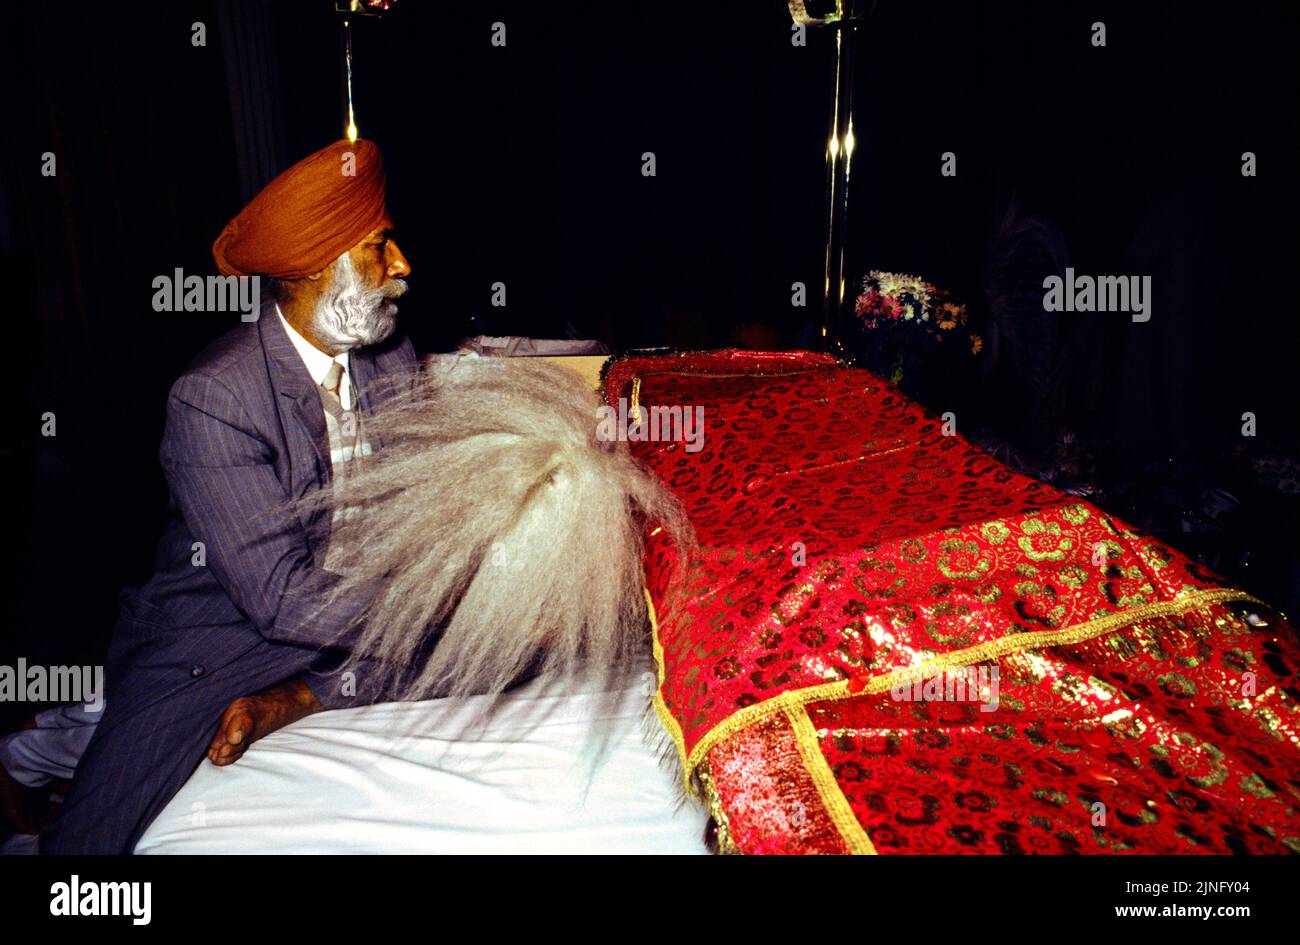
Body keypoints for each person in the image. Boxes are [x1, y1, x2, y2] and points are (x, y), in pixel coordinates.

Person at [38, 138, 416, 854]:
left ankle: (294, 700)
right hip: (217, 633)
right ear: (314, 269)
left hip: (356, 605)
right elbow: (281, 600)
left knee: (514, 638)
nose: (402, 266)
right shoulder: (214, 396)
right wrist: (430, 593)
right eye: (379, 247)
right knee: (85, 849)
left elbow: (421, 498)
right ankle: (33, 758)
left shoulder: (389, 353)